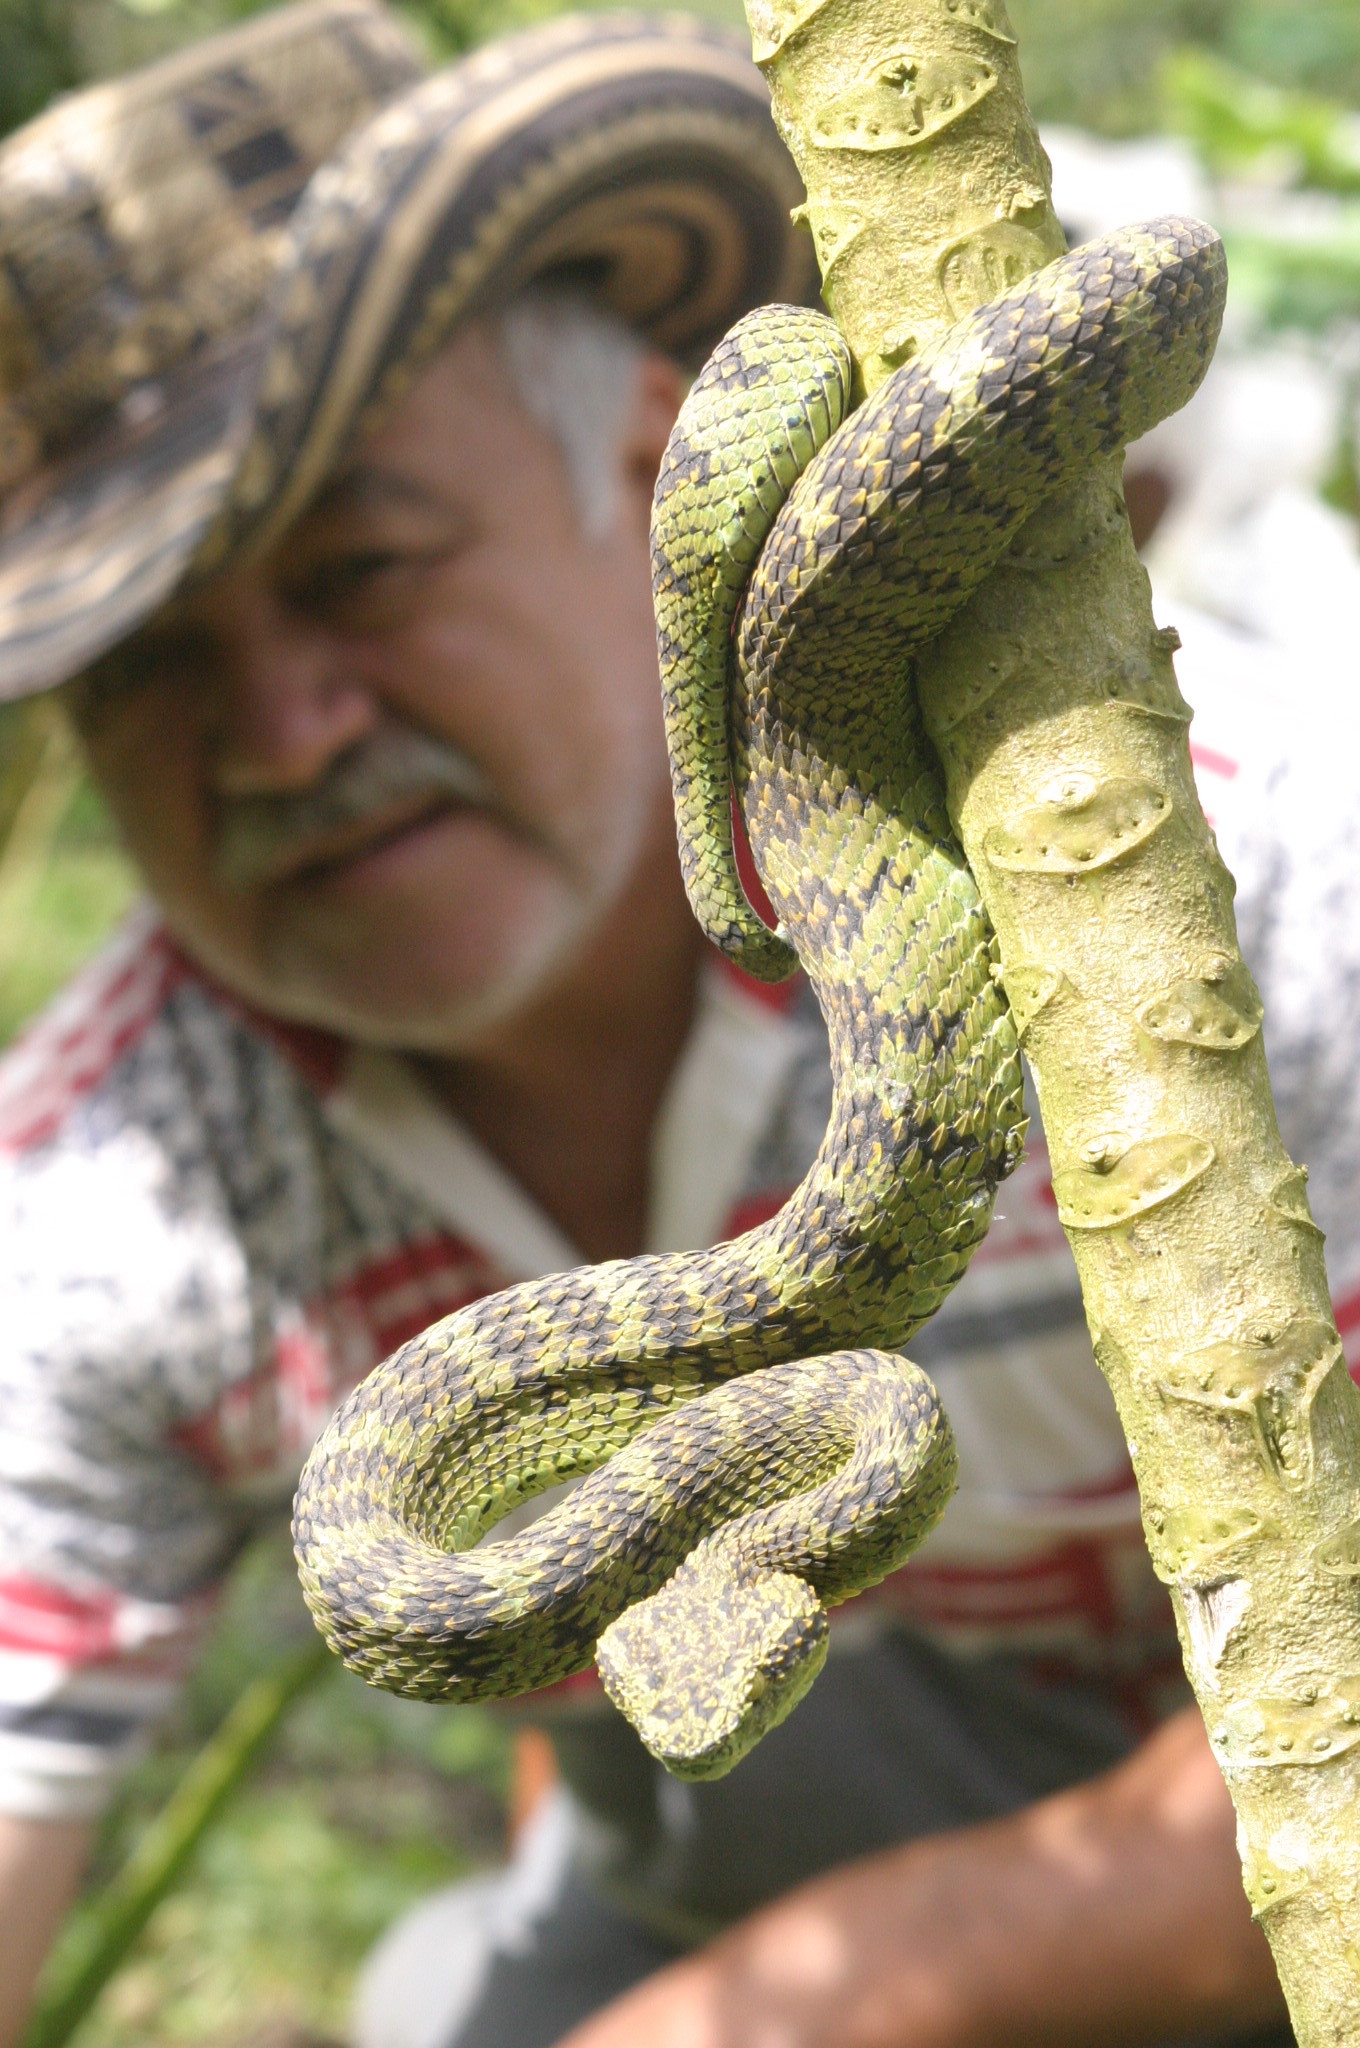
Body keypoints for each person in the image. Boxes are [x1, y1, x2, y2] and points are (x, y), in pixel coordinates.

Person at [0, 7, 1350, 2046]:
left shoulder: (1241, 888)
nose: (279, 735)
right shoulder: (98, 1200)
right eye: (145, 667)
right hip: (730, 1874)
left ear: (655, 466)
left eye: (361, 570)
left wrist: (836, 2002)